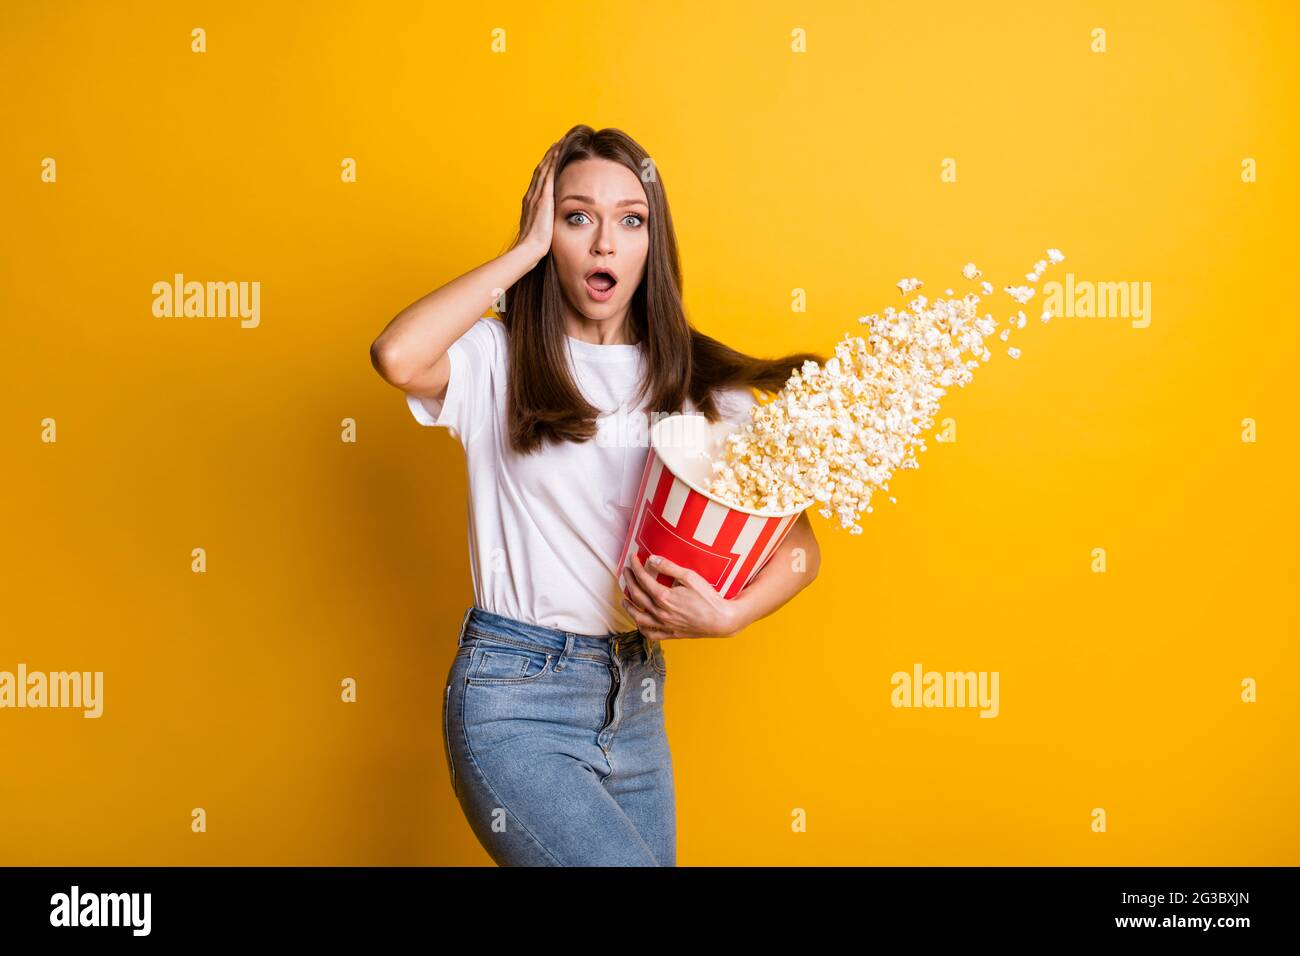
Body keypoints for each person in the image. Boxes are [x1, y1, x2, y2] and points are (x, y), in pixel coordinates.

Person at [369, 125, 825, 866]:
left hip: (636, 704)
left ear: (653, 241)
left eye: (631, 220)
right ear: (552, 233)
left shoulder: (701, 387)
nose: (605, 243)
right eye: (578, 217)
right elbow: (396, 356)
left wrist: (731, 614)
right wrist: (521, 252)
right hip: (515, 701)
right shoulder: (499, 356)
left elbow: (797, 546)